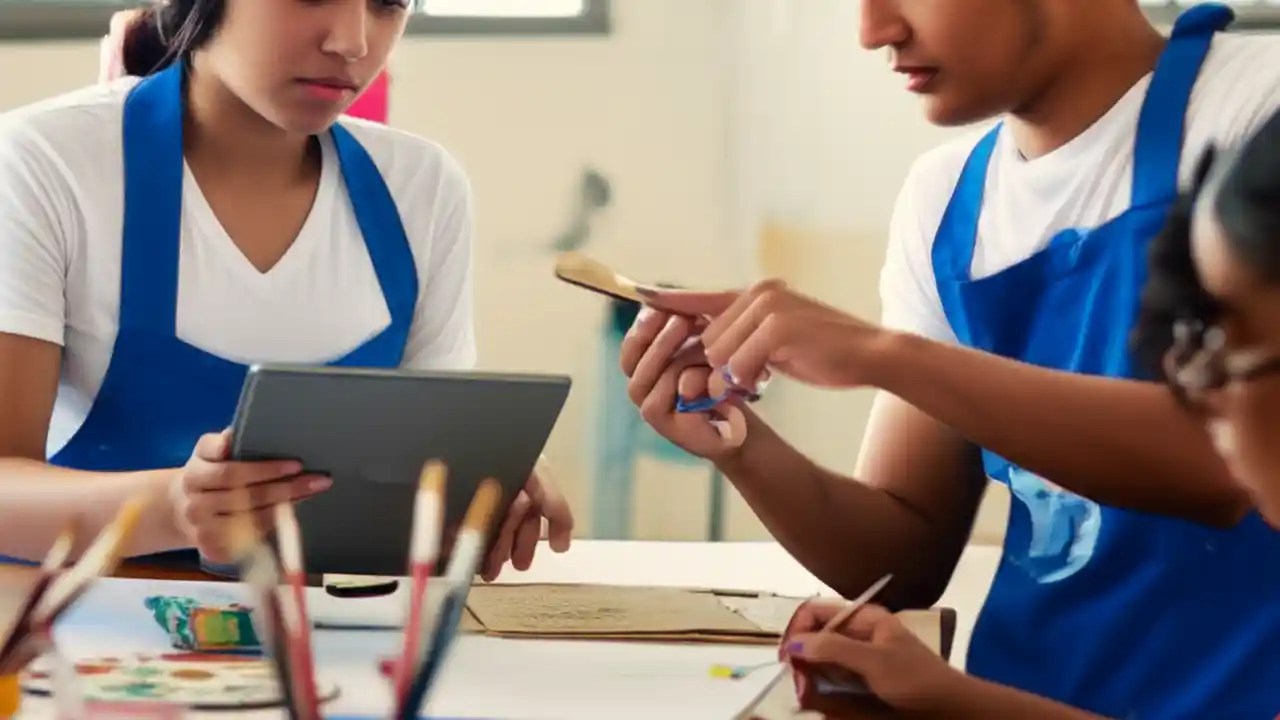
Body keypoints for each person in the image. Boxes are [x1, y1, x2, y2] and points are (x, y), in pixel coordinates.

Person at [622, 1, 1280, 717]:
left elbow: (1230, 464)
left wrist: (884, 356)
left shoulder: (1258, 118)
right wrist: (739, 444)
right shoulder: (946, 201)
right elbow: (902, 558)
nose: (873, 31)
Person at [0, 0, 573, 580]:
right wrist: (173, 509)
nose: (352, 42)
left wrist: (474, 485)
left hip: (326, 644)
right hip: (78, 636)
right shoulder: (46, 162)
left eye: (389, 4)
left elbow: (423, 473)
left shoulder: (422, 189)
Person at [770, 104, 1280, 720]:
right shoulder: (946, 196)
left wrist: (884, 357)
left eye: (1227, 344)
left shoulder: (1248, 105)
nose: (1197, 389)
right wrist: (944, 698)